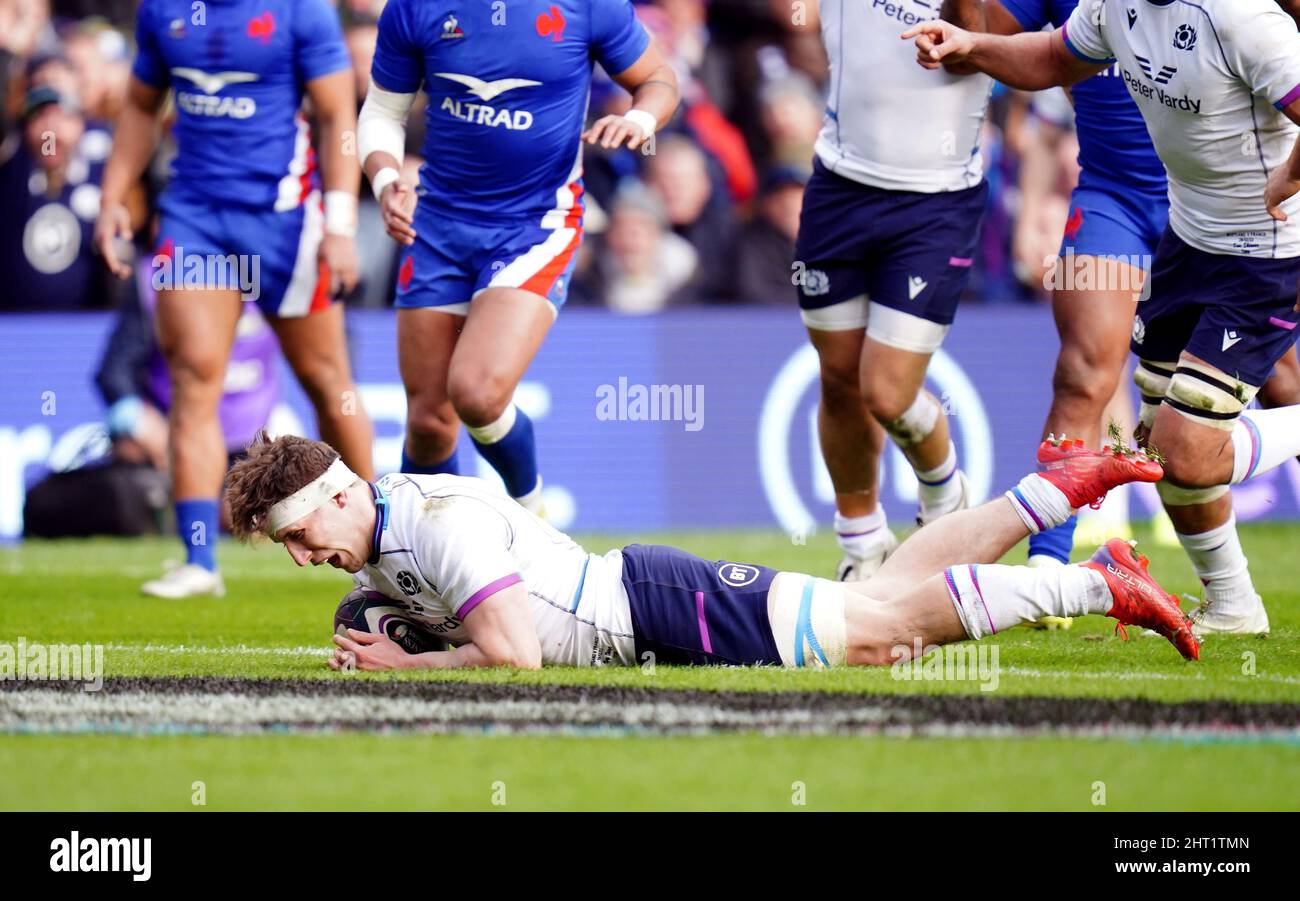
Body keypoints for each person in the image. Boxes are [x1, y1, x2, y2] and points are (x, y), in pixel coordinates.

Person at [904, 0, 1300, 636]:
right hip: (1168, 227)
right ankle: (1210, 600)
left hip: (1260, 243)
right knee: (1127, 410)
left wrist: (1288, 177)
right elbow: (1050, 55)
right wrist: (966, 43)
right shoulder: (1111, 7)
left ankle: (1225, 594)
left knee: (1203, 437)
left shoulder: (1244, 17)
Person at [224, 431, 1199, 671]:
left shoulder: (435, 519)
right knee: (887, 588)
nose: (308, 558)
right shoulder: (379, 527)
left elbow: (514, 654)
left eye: (303, 536)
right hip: (642, 606)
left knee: (878, 633)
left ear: (343, 492)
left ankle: (1090, 578)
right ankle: (1055, 489)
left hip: (651, 607)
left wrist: (412, 663)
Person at [95, 0, 374, 598]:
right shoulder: (162, 11)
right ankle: (200, 560)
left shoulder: (303, 12)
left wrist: (343, 222)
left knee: (329, 382)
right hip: (195, 218)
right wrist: (114, 194)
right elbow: (142, 106)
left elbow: (336, 118)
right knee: (193, 377)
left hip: (286, 221)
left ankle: (382, 537)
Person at [357, 0, 679, 515]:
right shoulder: (414, 8)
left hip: (536, 227)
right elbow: (382, 111)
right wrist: (387, 179)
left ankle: (532, 517)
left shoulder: (589, 7)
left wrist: (639, 118)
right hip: (436, 225)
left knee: (477, 394)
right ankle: (427, 571)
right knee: (428, 421)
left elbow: (659, 79)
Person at [794, 0, 993, 584]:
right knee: (837, 380)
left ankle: (945, 501)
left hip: (936, 202)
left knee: (885, 390)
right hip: (839, 189)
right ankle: (863, 547)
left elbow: (967, 54)